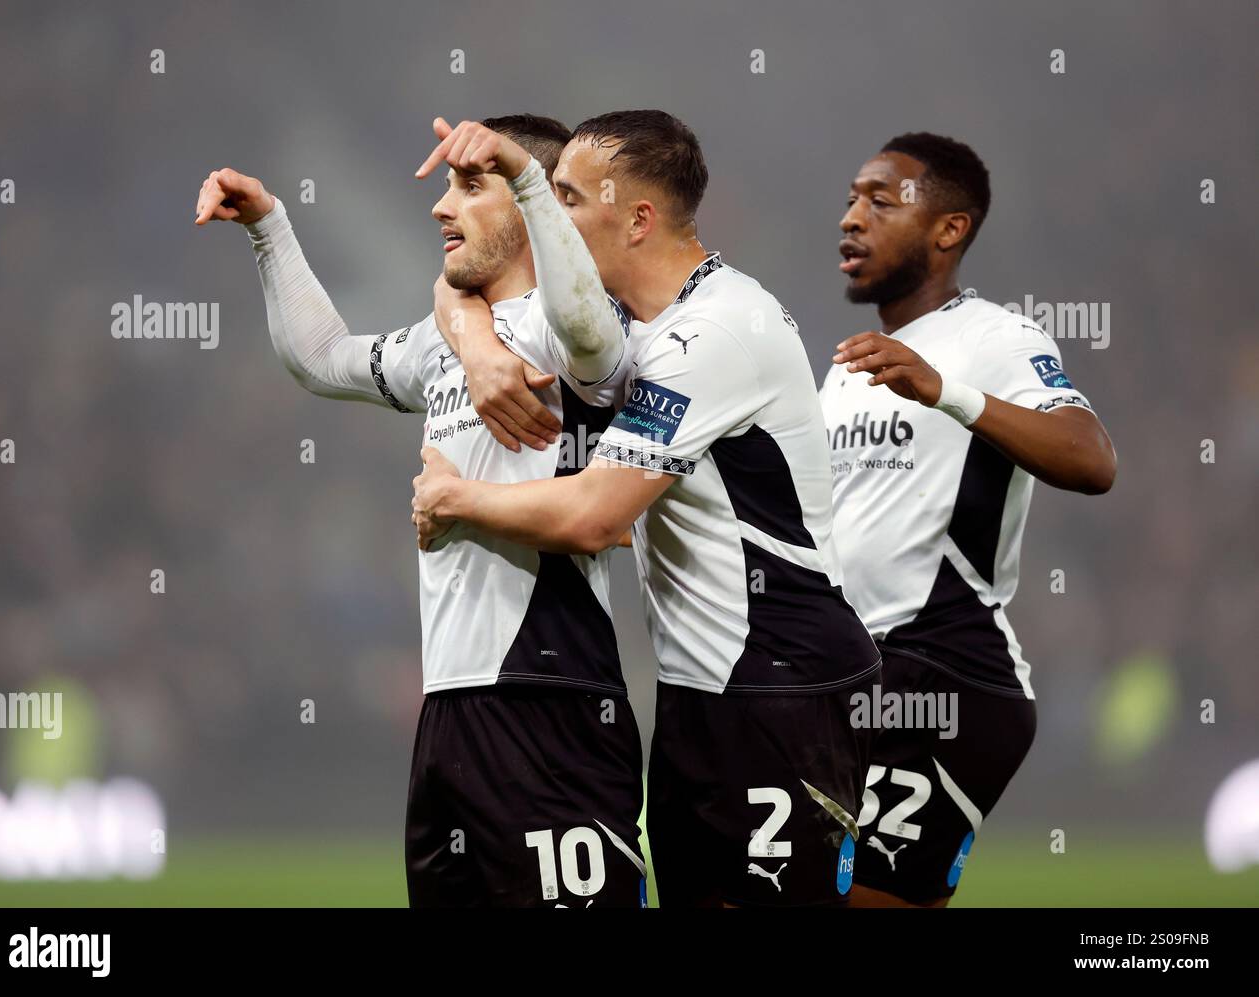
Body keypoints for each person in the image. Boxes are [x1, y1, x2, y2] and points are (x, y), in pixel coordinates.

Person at [413, 111, 879, 907]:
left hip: (780, 686)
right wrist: (480, 345)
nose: (544, 219)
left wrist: (457, 497)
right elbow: (457, 291)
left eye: (564, 198)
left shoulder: (717, 331)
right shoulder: (636, 329)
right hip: (698, 691)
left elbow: (597, 515)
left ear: (638, 219)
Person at [193, 114, 646, 907]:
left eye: (470, 185)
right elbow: (324, 358)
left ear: (534, 205)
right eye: (446, 187)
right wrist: (270, 227)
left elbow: (581, 319)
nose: (442, 206)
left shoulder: (581, 332)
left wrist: (530, 183)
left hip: (551, 699)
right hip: (450, 714)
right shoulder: (446, 344)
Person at [821, 132, 1117, 906]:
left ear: (950, 229)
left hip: (947, 674)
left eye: (880, 201)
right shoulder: (849, 365)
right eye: (851, 198)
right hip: (851, 681)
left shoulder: (997, 338)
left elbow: (1093, 459)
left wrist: (949, 391)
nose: (852, 217)